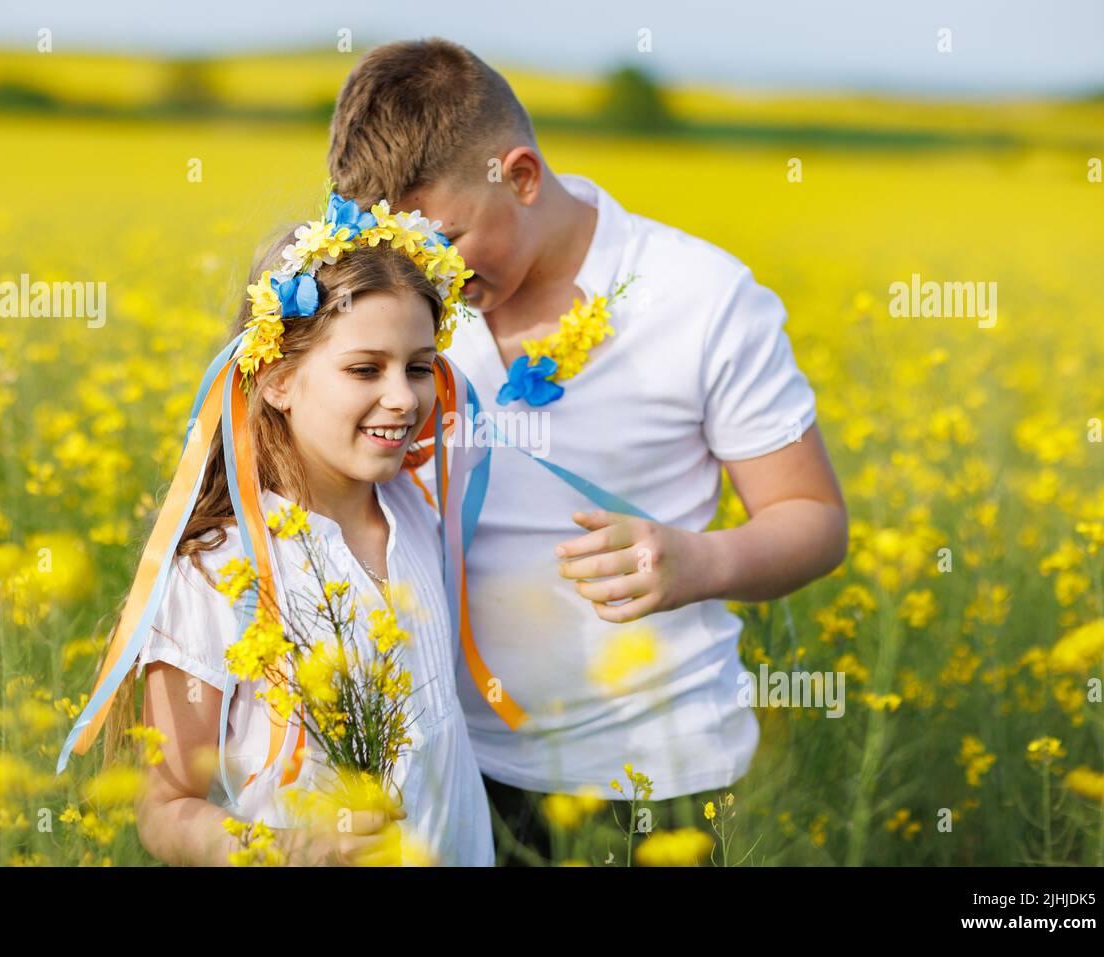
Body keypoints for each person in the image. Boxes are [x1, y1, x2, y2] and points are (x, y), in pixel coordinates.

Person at [327, 39, 849, 864]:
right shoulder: (398, 305)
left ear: (522, 176)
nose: (429, 276)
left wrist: (699, 564)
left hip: (651, 778)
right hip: (444, 766)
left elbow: (814, 519)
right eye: (401, 251)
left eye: (446, 240)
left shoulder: (704, 298)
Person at [56, 195, 494, 866]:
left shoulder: (414, 506)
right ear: (280, 379)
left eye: (417, 366)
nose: (404, 396)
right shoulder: (217, 569)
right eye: (364, 368)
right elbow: (165, 805)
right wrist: (285, 849)